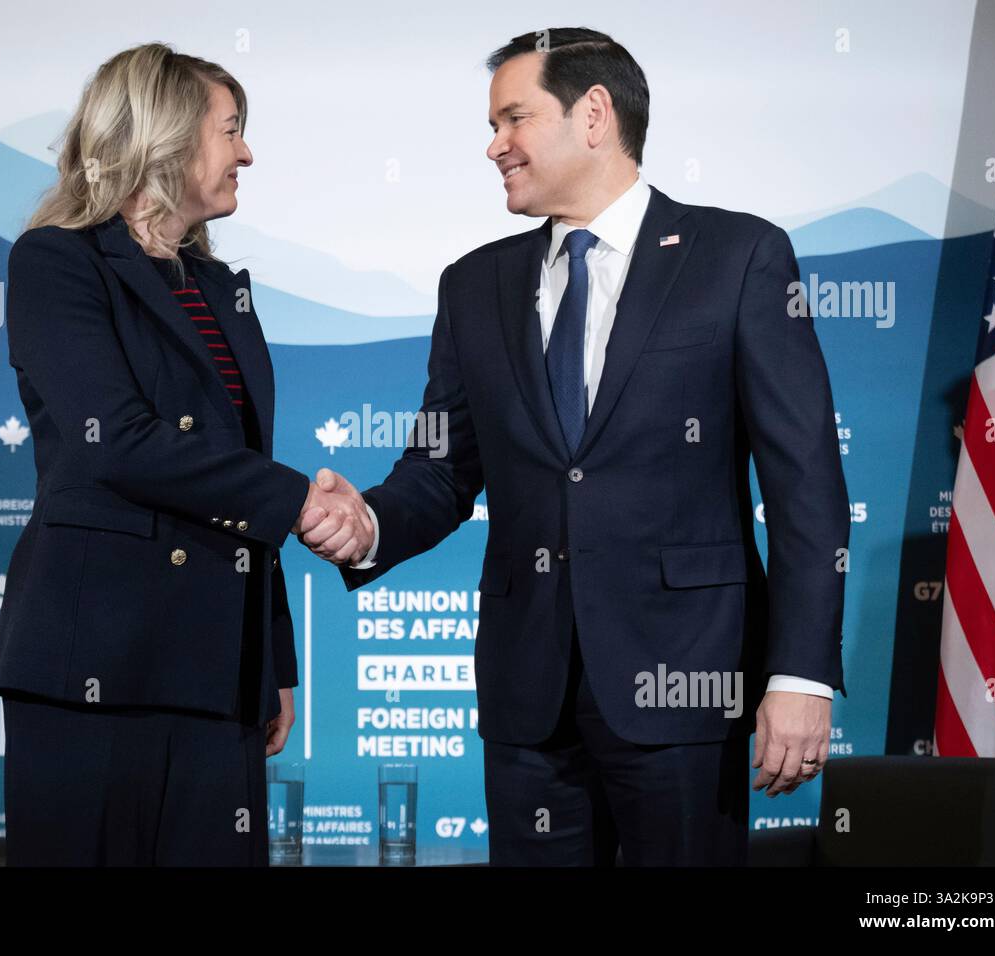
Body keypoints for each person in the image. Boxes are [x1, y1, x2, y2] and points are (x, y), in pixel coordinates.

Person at [298, 27, 849, 865]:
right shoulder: (475, 284)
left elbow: (806, 481)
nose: (494, 145)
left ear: (594, 115)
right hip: (529, 696)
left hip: (687, 683)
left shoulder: (738, 257)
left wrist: (800, 674)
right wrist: (368, 523)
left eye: (513, 118)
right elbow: (442, 470)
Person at [0, 42, 368, 866]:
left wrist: (270, 657)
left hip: (217, 675)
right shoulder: (56, 262)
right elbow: (114, 442)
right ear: (163, 136)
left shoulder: (219, 288)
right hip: (98, 667)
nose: (247, 152)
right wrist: (301, 500)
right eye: (232, 130)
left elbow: (235, 471)